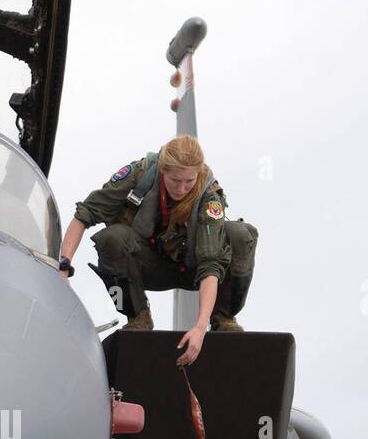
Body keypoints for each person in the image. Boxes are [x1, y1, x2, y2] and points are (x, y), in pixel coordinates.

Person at [57, 135, 257, 367]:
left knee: (240, 234)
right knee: (112, 238)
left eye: (189, 181)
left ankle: (223, 318)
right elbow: (85, 214)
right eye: (174, 180)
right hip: (148, 267)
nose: (181, 188)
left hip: (196, 270)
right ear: (162, 169)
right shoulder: (138, 175)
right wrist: (64, 265)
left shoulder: (208, 194)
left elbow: (210, 264)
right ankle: (138, 316)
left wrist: (201, 327)